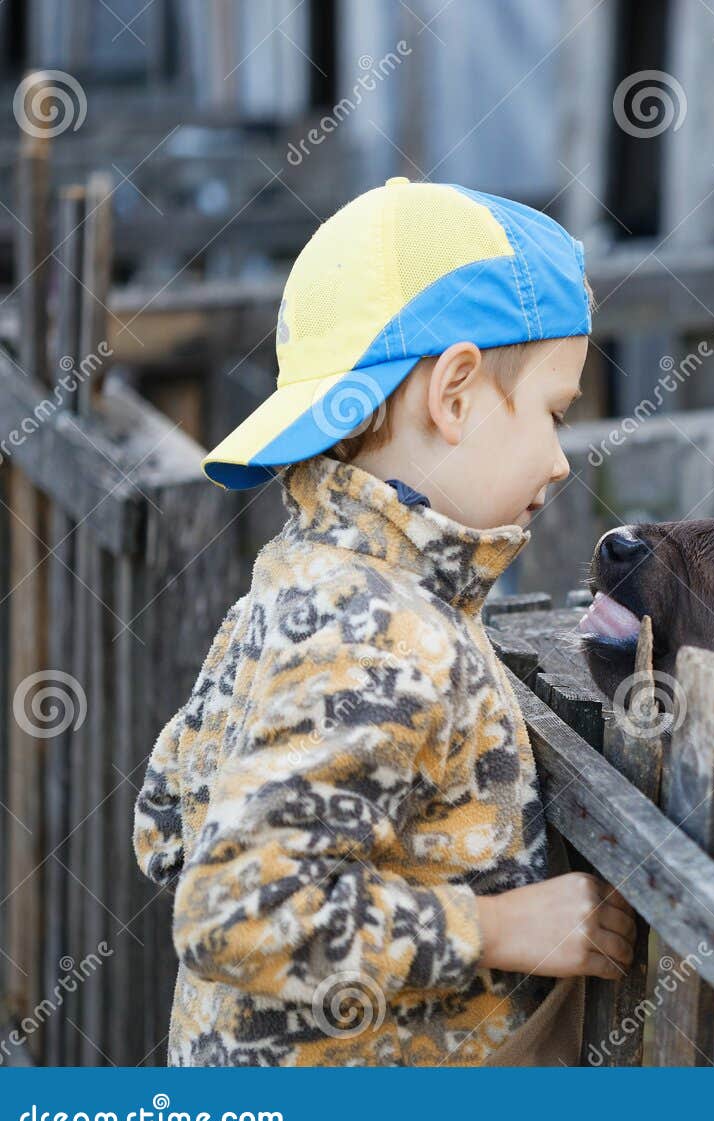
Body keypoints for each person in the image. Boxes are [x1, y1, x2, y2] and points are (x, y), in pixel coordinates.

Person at [133, 177, 633, 1065]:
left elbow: (166, 822)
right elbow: (232, 910)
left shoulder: (295, 579)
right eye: (555, 411)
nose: (559, 461)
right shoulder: (378, 627)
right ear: (455, 392)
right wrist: (498, 924)